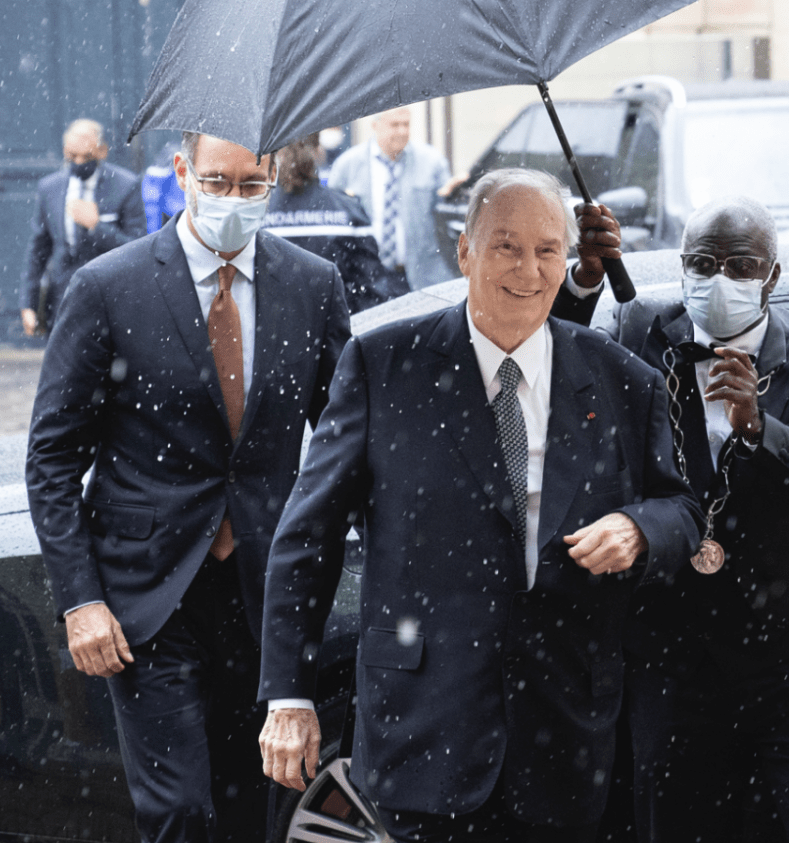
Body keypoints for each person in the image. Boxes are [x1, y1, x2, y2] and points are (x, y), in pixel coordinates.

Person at [257, 168, 703, 843]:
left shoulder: (622, 381)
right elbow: (308, 535)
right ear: (464, 250)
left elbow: (682, 507)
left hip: (569, 736)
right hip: (423, 732)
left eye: (548, 249)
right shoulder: (384, 366)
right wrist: (288, 692)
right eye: (505, 246)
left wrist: (639, 528)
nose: (528, 269)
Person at [25, 131, 351, 843]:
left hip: (263, 593)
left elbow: (347, 439)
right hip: (148, 598)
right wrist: (80, 598)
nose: (233, 200)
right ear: (182, 172)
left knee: (247, 811)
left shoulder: (311, 283)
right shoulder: (110, 286)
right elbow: (51, 457)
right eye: (216, 181)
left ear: (273, 176)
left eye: (250, 184)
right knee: (178, 808)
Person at [552, 196, 789, 842]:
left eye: (740, 264)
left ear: (771, 276)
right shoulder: (640, 328)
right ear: (680, 268)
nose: (719, 279)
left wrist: (763, 430)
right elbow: (556, 361)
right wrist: (584, 278)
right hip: (675, 659)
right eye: (702, 263)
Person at [19, 118, 146, 336]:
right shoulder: (50, 188)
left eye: (86, 157)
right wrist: (27, 304)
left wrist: (97, 226)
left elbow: (138, 248)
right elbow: (38, 249)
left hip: (110, 297)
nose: (78, 162)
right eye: (72, 157)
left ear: (102, 151)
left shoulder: (126, 185)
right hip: (61, 298)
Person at [263, 133, 405, 312]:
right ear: (318, 151)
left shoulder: (258, 213)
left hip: (275, 328)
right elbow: (372, 286)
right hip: (334, 328)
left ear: (276, 155)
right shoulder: (347, 209)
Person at [327, 106, 451, 291]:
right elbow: (333, 220)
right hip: (367, 280)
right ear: (375, 125)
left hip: (422, 278)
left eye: (406, 124)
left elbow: (446, 216)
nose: (402, 131)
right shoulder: (347, 166)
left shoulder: (432, 163)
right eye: (395, 125)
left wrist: (455, 195)